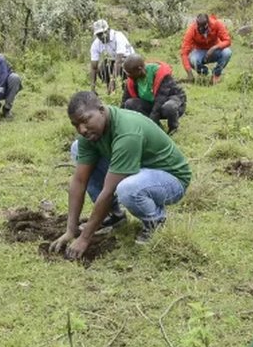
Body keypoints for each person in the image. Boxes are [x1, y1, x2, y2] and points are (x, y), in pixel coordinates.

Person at [49, 91, 193, 257]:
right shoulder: (89, 133)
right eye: (75, 124)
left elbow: (109, 191)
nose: (81, 129)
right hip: (138, 169)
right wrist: (71, 229)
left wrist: (84, 238)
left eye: (85, 120)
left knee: (127, 188)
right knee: (77, 148)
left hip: (171, 179)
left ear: (101, 110)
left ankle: (155, 221)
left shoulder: (127, 132)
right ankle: (115, 215)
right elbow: (80, 180)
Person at [120, 53, 187, 135]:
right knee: (130, 103)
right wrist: (119, 121)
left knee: (169, 107)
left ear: (139, 69)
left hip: (171, 100)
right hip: (153, 102)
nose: (128, 75)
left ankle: (173, 127)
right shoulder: (132, 80)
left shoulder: (161, 74)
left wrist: (152, 121)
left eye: (129, 73)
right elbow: (124, 101)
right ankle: (158, 128)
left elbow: (161, 98)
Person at [180, 13, 233, 84]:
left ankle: (216, 74)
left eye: (203, 28)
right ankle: (204, 74)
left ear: (207, 24)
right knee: (193, 60)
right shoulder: (191, 30)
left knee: (227, 52)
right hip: (199, 51)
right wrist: (189, 73)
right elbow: (184, 53)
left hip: (215, 50)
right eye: (199, 28)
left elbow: (227, 41)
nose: (201, 30)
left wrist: (214, 48)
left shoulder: (216, 24)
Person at [90, 19, 135, 94]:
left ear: (108, 30)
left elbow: (119, 61)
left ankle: (126, 90)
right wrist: (92, 88)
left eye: (103, 33)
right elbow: (94, 67)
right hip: (113, 60)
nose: (101, 36)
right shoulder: (96, 44)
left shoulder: (118, 36)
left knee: (124, 69)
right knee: (102, 69)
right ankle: (111, 90)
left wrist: (113, 81)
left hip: (128, 60)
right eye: (98, 35)